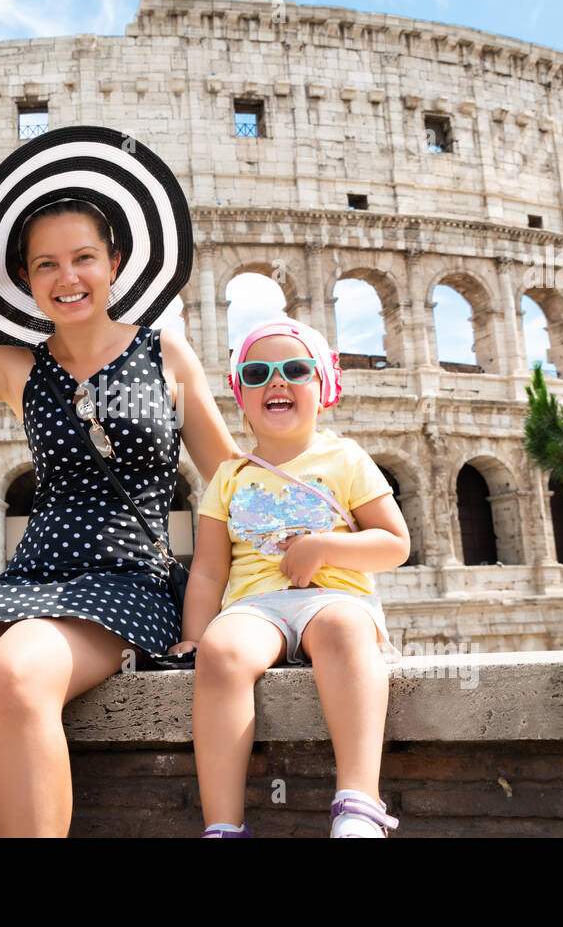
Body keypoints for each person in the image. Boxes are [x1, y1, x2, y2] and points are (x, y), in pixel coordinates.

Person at [0, 193, 238, 837]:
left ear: (115, 262)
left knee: (19, 674)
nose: (67, 278)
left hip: (127, 578)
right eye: (44, 265)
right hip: (31, 575)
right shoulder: (19, 368)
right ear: (25, 279)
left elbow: (230, 478)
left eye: (83, 258)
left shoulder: (165, 355)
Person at [166, 318, 411, 838]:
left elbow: (394, 544)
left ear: (324, 387)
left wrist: (324, 546)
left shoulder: (346, 457)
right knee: (222, 651)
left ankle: (358, 804)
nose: (276, 382)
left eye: (295, 370)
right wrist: (194, 635)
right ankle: (224, 826)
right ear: (240, 397)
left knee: (345, 632)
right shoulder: (229, 476)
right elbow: (209, 571)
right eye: (257, 374)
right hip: (257, 607)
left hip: (334, 599)